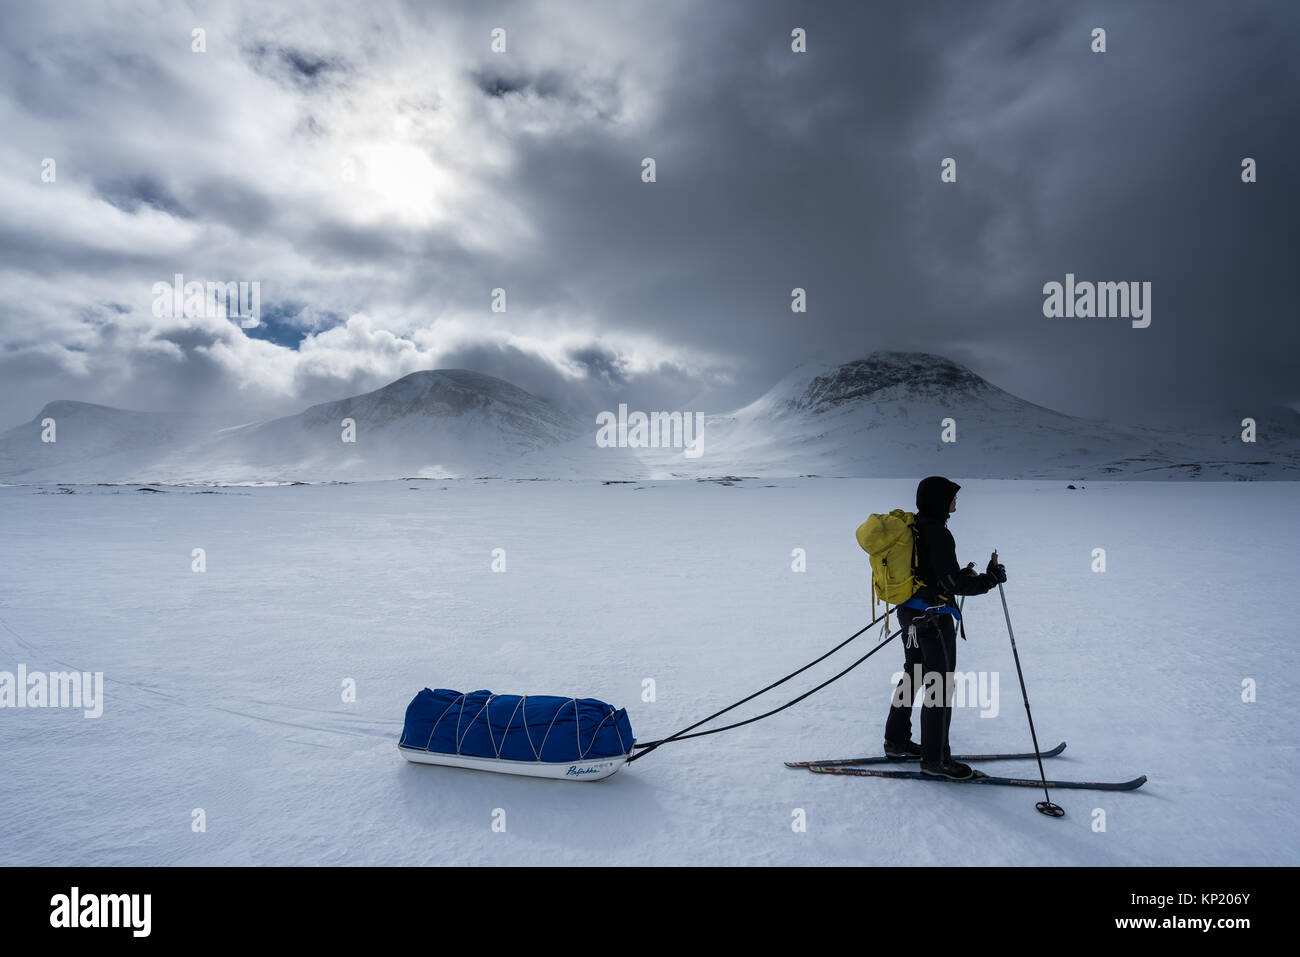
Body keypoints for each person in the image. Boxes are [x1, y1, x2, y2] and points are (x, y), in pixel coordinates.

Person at [882, 476, 1007, 780]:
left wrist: (957, 576)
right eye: (952, 497)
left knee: (914, 674)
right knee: (939, 684)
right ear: (939, 501)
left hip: (908, 615)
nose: (955, 502)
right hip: (934, 621)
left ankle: (896, 741)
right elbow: (954, 584)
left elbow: (931, 573)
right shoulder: (938, 533)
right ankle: (935, 759)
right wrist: (989, 579)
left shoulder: (915, 528)